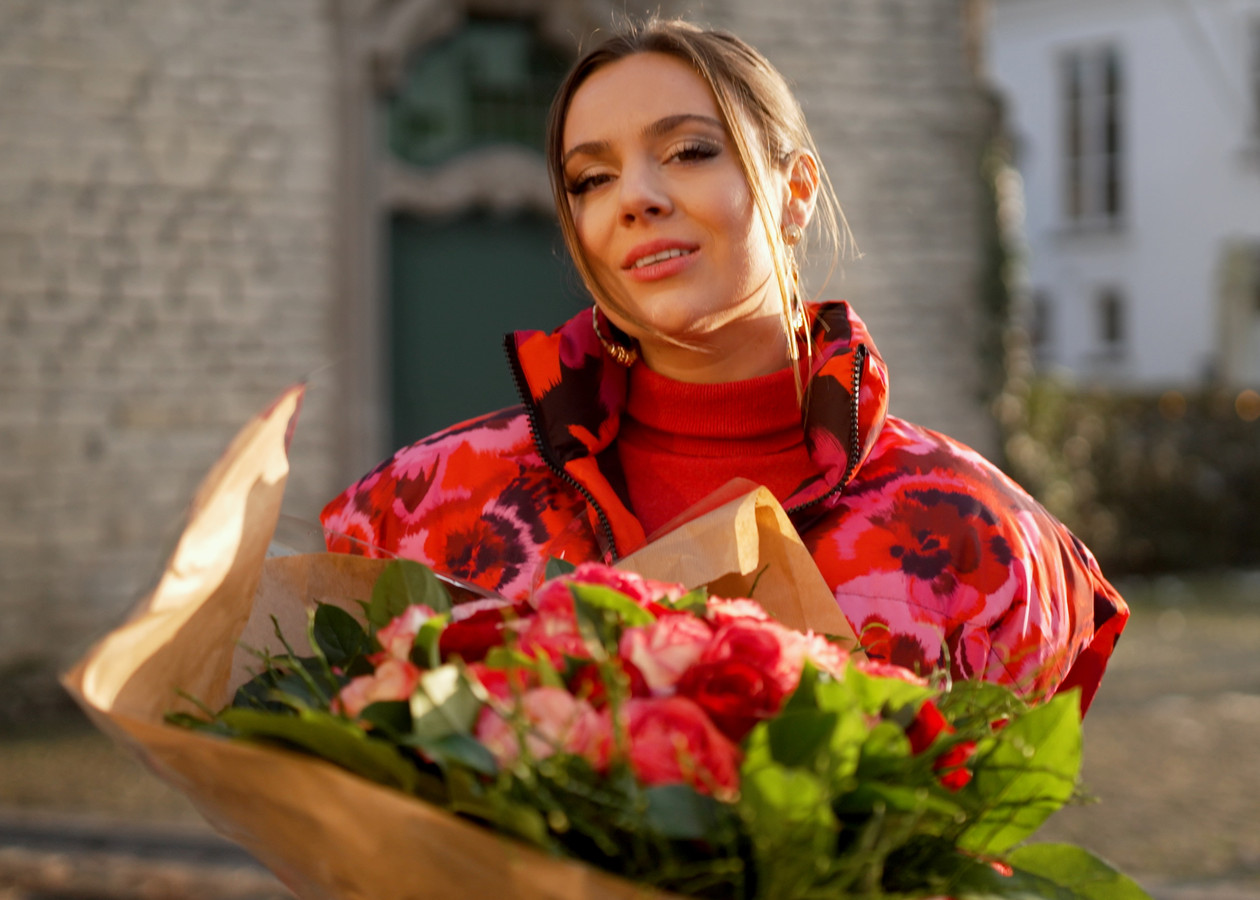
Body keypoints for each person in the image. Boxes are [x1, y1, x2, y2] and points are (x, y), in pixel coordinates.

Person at [322, 18, 1128, 713]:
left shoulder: (978, 536)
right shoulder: (420, 509)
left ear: (795, 191)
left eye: (688, 151)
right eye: (590, 178)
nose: (634, 196)